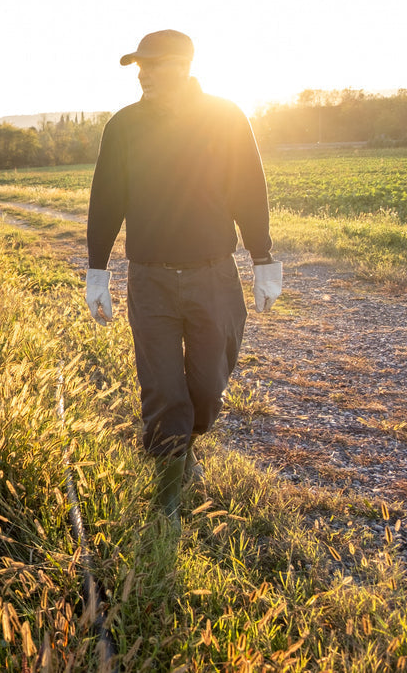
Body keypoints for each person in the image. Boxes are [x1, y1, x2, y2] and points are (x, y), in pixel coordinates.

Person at [84, 29, 283, 529]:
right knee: (163, 387)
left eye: (153, 66)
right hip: (149, 280)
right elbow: (106, 200)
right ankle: (168, 496)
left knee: (208, 383)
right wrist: (97, 269)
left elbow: (249, 188)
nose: (144, 75)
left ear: (184, 66)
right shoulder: (123, 127)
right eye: (139, 67)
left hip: (214, 275)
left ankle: (185, 444)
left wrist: (263, 258)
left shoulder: (225, 117)